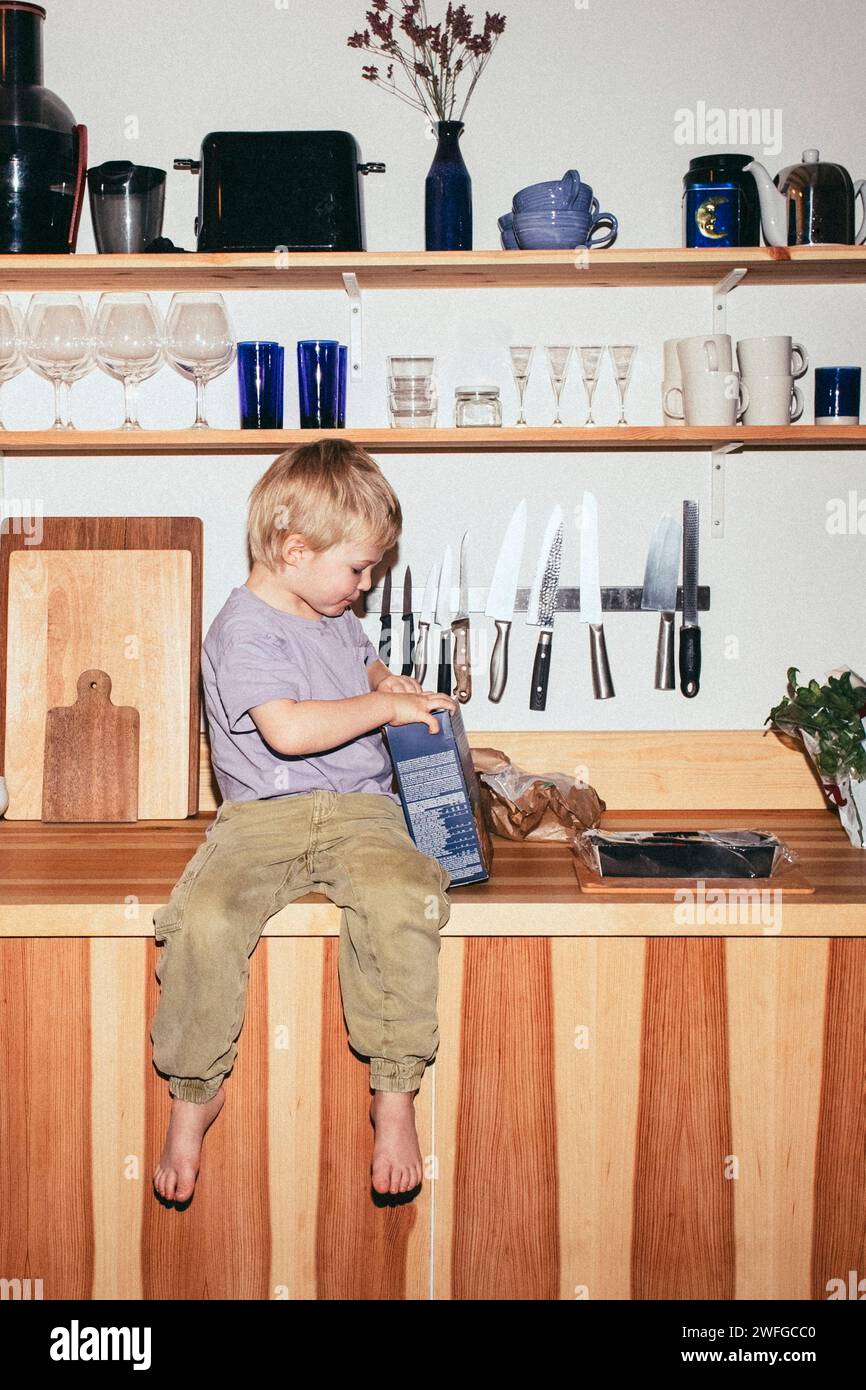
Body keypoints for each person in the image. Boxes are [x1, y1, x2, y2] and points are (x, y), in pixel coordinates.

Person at [151, 439, 456, 1203]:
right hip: (261, 819)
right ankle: (194, 1094)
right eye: (358, 569)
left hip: (360, 815)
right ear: (294, 549)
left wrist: (389, 680)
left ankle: (394, 1091)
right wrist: (384, 707)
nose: (365, 585)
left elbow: (363, 665)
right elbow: (285, 730)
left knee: (400, 899)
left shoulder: (332, 614)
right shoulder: (244, 626)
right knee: (207, 919)